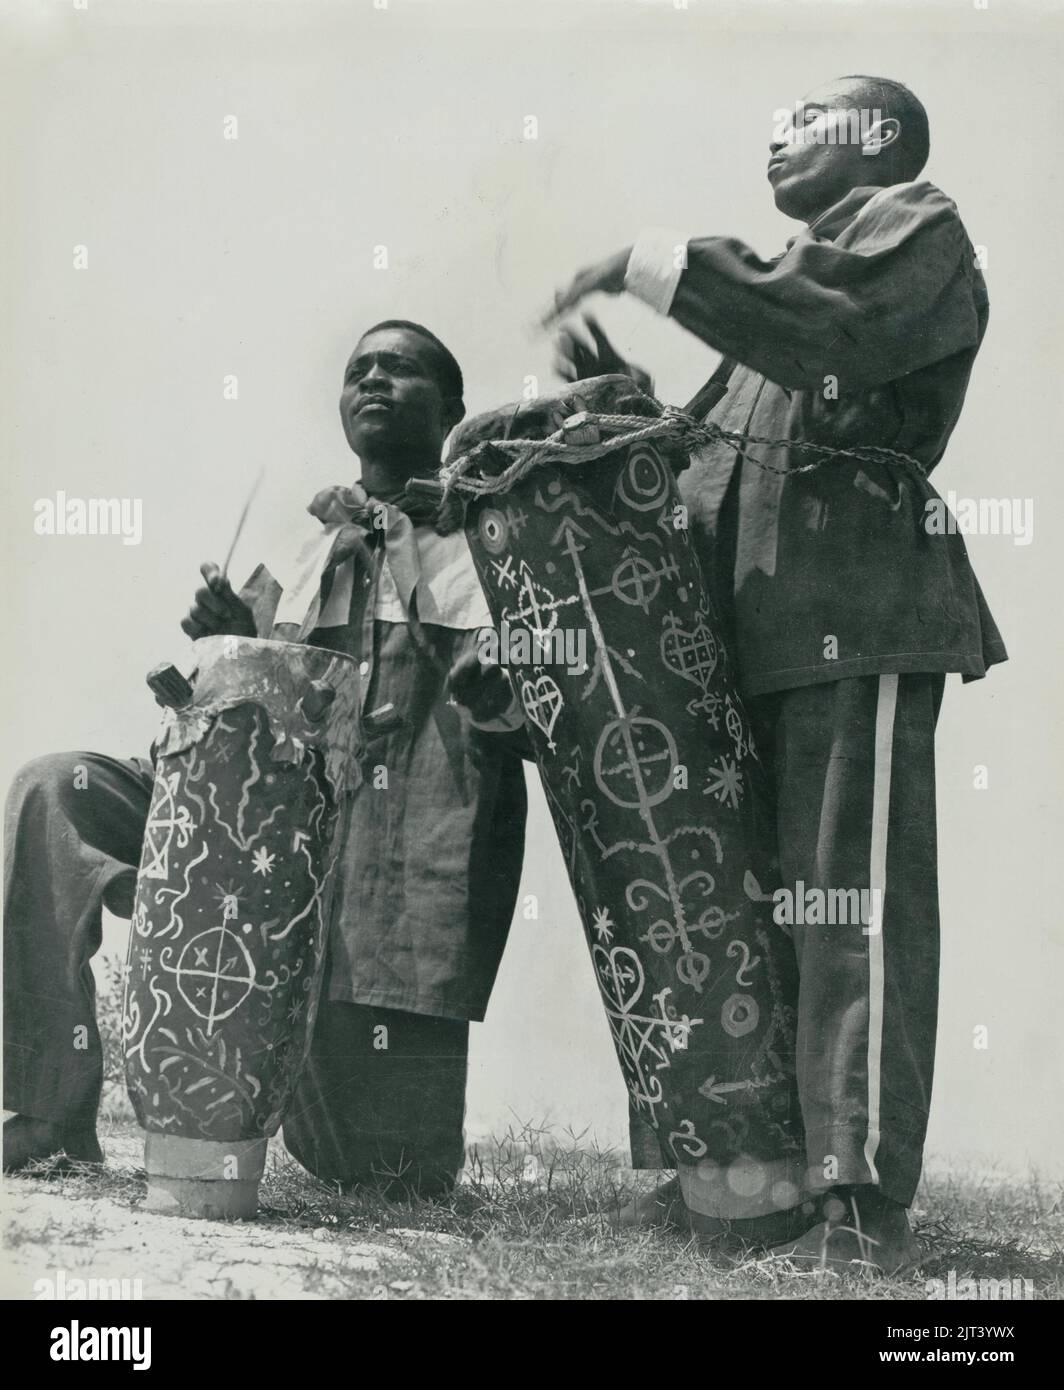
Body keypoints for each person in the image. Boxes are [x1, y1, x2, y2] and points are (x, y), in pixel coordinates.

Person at [545, 76, 1006, 1272]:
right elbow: (705, 466)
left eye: (803, 121)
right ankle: (752, 1182)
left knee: (847, 913)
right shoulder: (777, 309)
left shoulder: (913, 228)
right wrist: (625, 408)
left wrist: (656, 262)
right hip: (753, 648)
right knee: (746, 914)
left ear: (883, 138)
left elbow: (825, 327)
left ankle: (858, 1203)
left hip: (861, 615)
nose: (774, 136)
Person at [4, 320, 527, 1200]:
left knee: (386, 1174)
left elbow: (539, 725)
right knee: (57, 790)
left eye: (399, 369)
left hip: (383, 891)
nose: (372, 380)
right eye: (359, 369)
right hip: (251, 847)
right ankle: (49, 1117)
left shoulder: (503, 549)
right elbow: (218, 716)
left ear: (455, 409)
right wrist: (228, 646)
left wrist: (487, 671)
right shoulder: (300, 548)